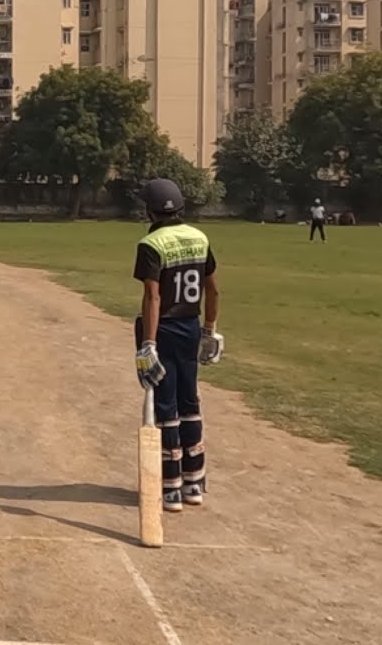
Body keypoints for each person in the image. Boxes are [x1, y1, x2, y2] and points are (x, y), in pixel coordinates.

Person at [132, 179, 224, 513]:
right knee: (191, 401)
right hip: (190, 325)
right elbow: (212, 289)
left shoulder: (151, 243)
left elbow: (153, 296)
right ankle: (194, 482)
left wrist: (148, 344)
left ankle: (170, 487)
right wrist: (210, 329)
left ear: (149, 210)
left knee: (166, 405)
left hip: (166, 328)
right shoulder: (200, 237)